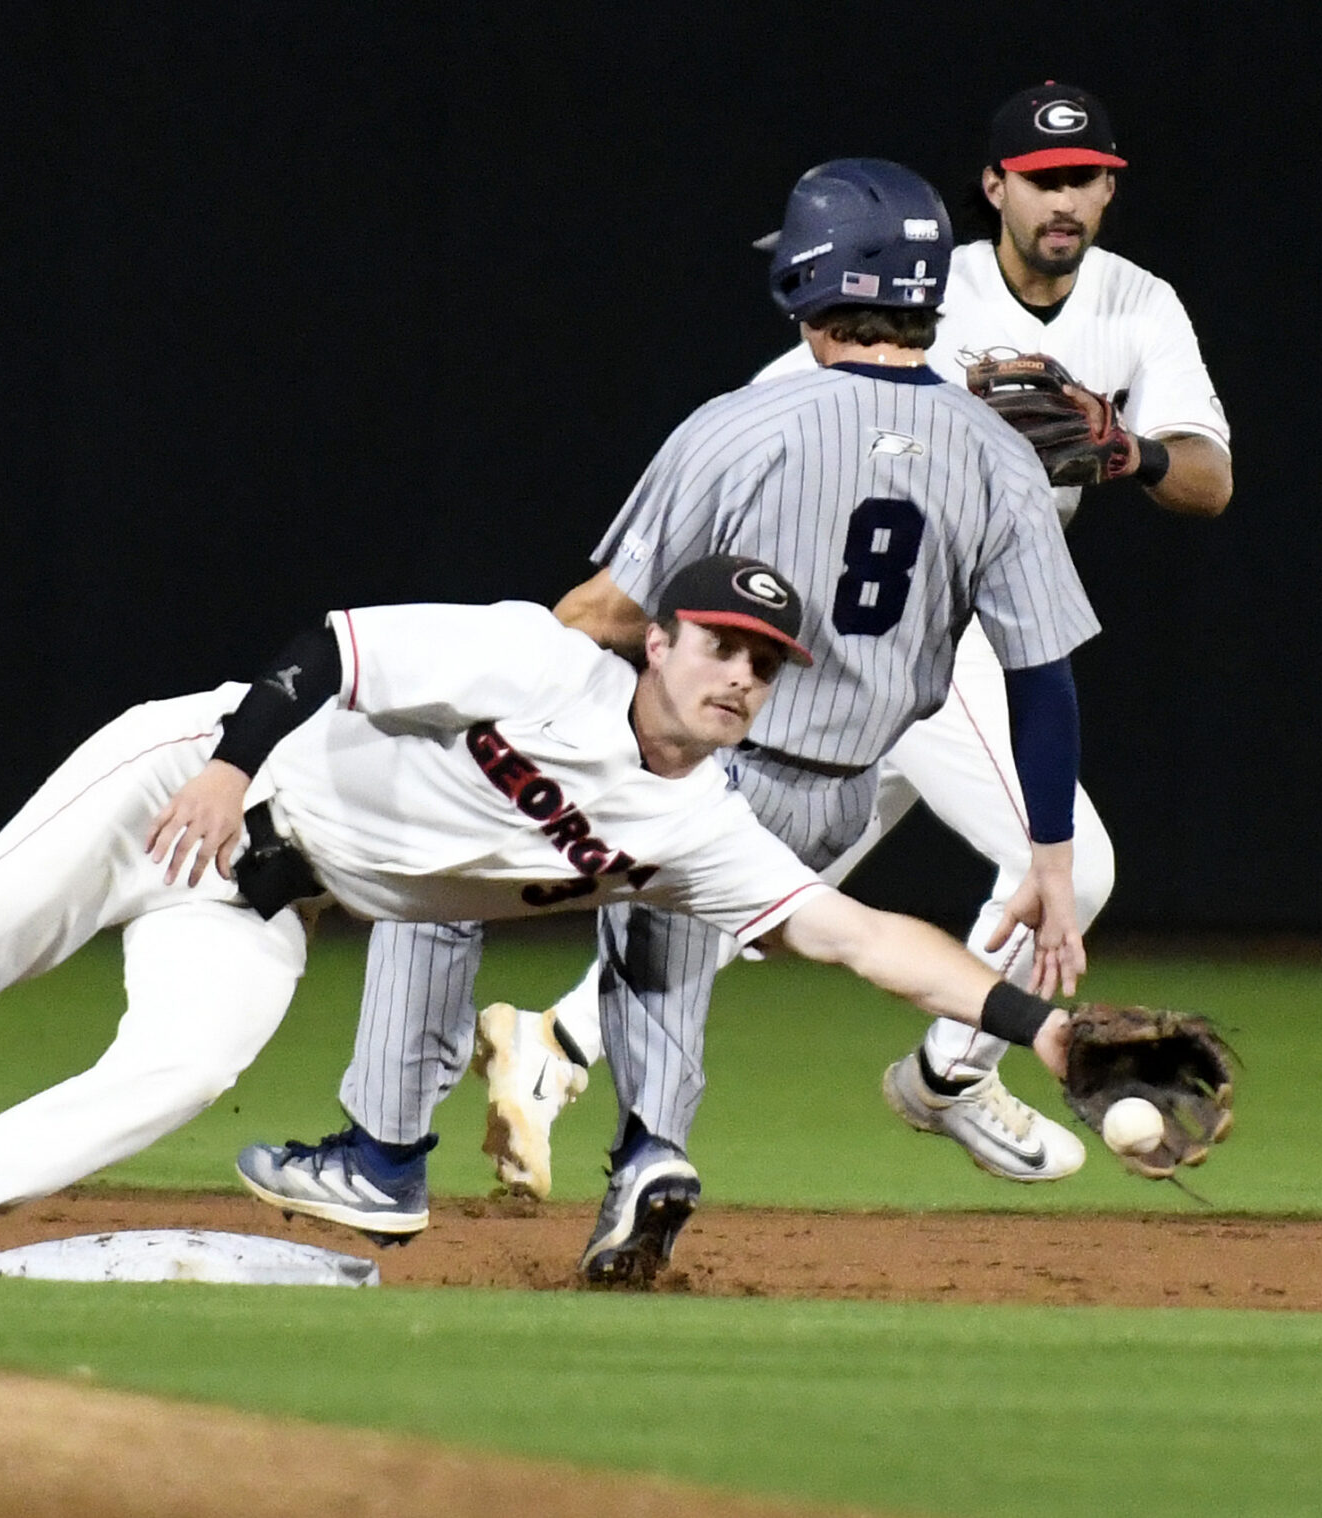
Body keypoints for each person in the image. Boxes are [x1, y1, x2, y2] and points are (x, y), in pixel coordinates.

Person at [0, 555, 1091, 1281]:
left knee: (186, 1063)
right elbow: (331, 649)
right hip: (183, 780)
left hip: (262, 895)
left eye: (766, 661)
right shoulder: (534, 662)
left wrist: (1051, 1025)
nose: (741, 677)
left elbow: (861, 935)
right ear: (665, 638)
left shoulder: (696, 822)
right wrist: (228, 763)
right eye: (720, 644)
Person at [247, 156, 1102, 1282]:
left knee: (439, 878)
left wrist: (513, 682)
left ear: (807, 276)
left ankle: (384, 1156)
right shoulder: (997, 451)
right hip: (836, 793)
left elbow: (609, 611)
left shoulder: (746, 423)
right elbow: (1042, 672)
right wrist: (1046, 851)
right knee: (664, 956)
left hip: (691, 754)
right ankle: (651, 1155)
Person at [471, 81, 1236, 1195]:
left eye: (1087, 179)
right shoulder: (934, 289)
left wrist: (1130, 454)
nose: (1064, 198)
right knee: (1067, 859)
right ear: (995, 188)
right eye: (1041, 179)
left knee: (780, 879)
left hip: (954, 618)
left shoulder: (1138, 305)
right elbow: (777, 418)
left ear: (1110, 189)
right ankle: (952, 1075)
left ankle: (557, 1048)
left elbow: (1208, 481)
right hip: (896, 627)